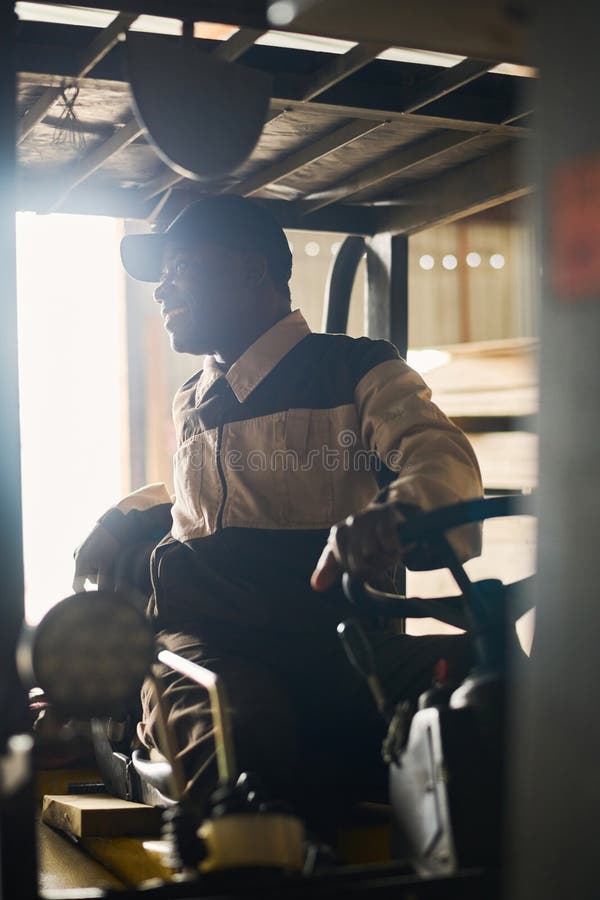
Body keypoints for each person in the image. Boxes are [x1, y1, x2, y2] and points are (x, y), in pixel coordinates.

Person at [73, 195, 483, 812]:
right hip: (209, 644)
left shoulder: (358, 369)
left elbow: (438, 456)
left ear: (251, 270)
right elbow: (205, 495)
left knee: (497, 680)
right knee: (239, 737)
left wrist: (396, 512)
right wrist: (119, 518)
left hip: (337, 644)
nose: (161, 291)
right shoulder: (191, 401)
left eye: (179, 267)